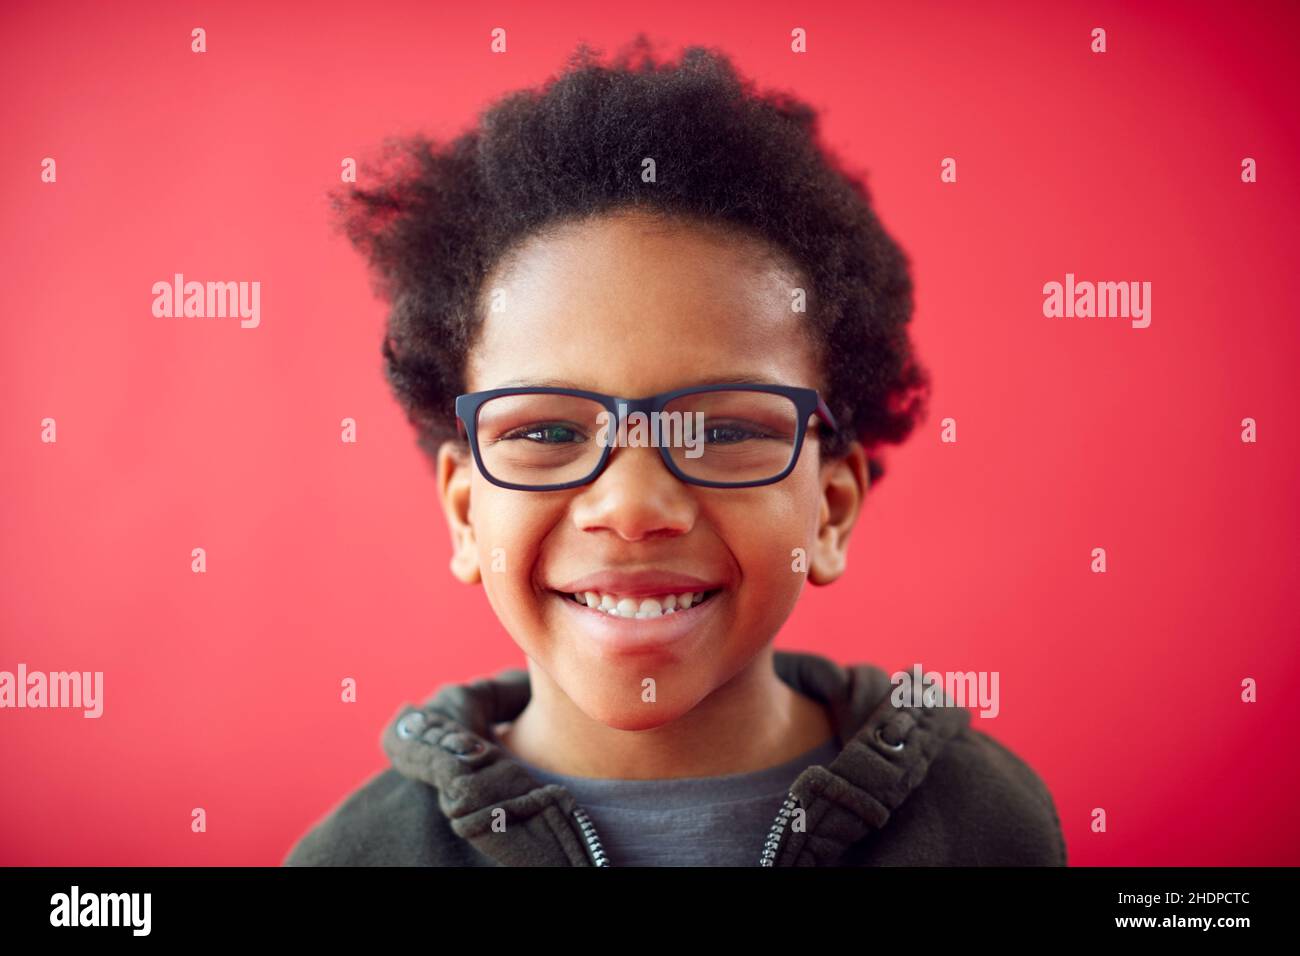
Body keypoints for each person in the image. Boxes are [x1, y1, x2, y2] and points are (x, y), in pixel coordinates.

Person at [284, 35, 1066, 867]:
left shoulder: (984, 824)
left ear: (831, 510)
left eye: (725, 431)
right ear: (466, 511)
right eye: (545, 432)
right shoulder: (358, 855)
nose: (631, 506)